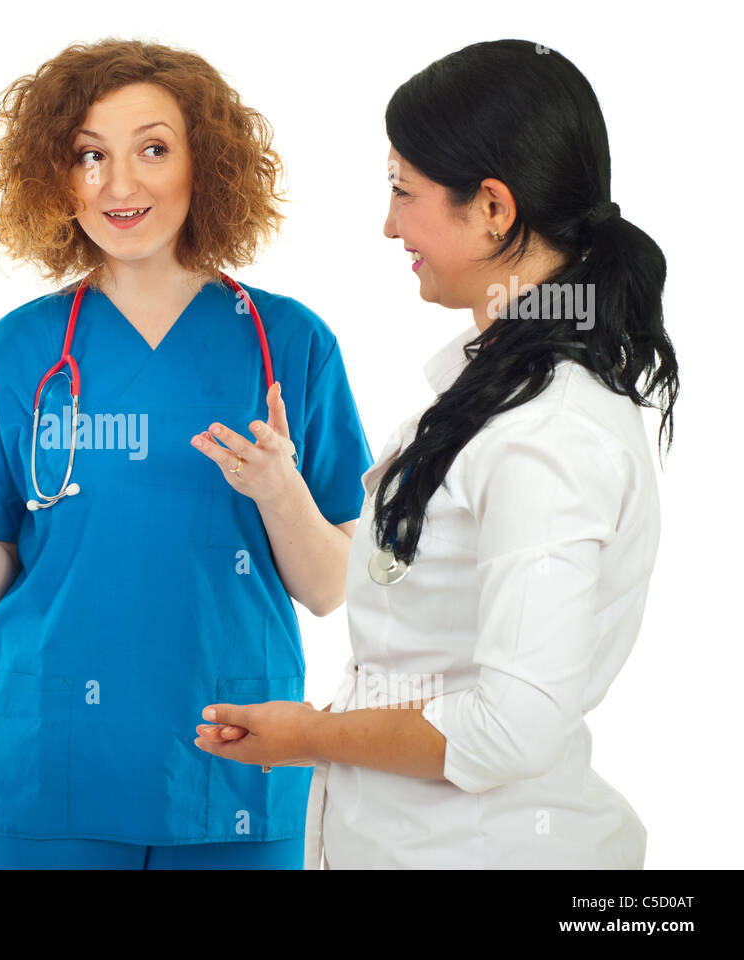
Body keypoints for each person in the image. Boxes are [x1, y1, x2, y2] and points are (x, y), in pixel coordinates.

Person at [0, 39, 373, 869]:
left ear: (205, 164)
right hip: (43, 768)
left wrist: (281, 491)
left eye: (152, 149)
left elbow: (328, 589)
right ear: (55, 176)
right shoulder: (15, 351)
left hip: (232, 764)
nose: (119, 185)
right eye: (88, 156)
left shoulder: (289, 343)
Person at [195, 39, 678, 869]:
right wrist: (281, 491)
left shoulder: (549, 434)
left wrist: (312, 734)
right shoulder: (485, 391)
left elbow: (509, 726)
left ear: (492, 206)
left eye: (402, 190)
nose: (388, 224)